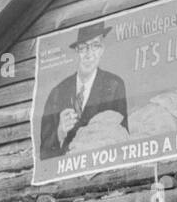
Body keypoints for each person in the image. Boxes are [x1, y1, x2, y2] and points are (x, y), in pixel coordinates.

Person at [39, 22, 129, 159]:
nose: (89, 53)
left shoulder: (114, 85)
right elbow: (43, 154)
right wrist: (60, 132)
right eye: (83, 47)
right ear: (77, 51)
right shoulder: (57, 92)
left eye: (95, 46)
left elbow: (123, 137)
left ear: (102, 49)